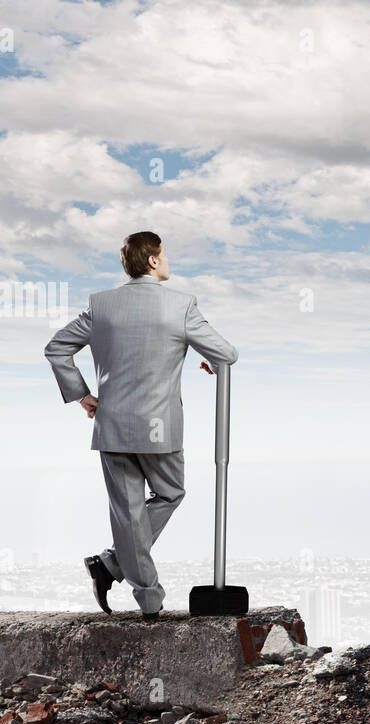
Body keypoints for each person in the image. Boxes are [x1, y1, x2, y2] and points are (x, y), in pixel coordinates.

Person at [44, 231, 237, 618]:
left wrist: (83, 394)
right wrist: (210, 361)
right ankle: (118, 571)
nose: (167, 262)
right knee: (169, 494)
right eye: (164, 255)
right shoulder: (181, 305)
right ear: (152, 260)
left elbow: (57, 348)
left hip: (112, 425)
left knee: (128, 512)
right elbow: (227, 353)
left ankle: (135, 586)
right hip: (159, 428)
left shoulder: (102, 305)